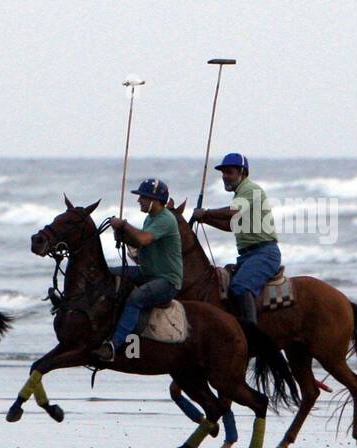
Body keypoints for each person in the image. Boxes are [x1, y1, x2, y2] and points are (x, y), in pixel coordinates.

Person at [92, 178, 183, 363]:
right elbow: (138, 242)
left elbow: (143, 239)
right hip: (148, 273)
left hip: (167, 280)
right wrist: (123, 236)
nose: (139, 200)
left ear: (155, 200)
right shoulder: (150, 217)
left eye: (143, 197)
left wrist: (124, 225)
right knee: (108, 273)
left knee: (136, 299)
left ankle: (113, 346)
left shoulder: (166, 219)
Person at [191, 153, 280, 326]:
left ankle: (251, 335)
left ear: (242, 172)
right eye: (223, 173)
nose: (225, 177)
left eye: (229, 172)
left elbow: (232, 211)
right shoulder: (240, 194)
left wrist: (205, 212)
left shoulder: (250, 190)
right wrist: (206, 219)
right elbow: (231, 225)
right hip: (247, 256)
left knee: (240, 287)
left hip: (264, 254)